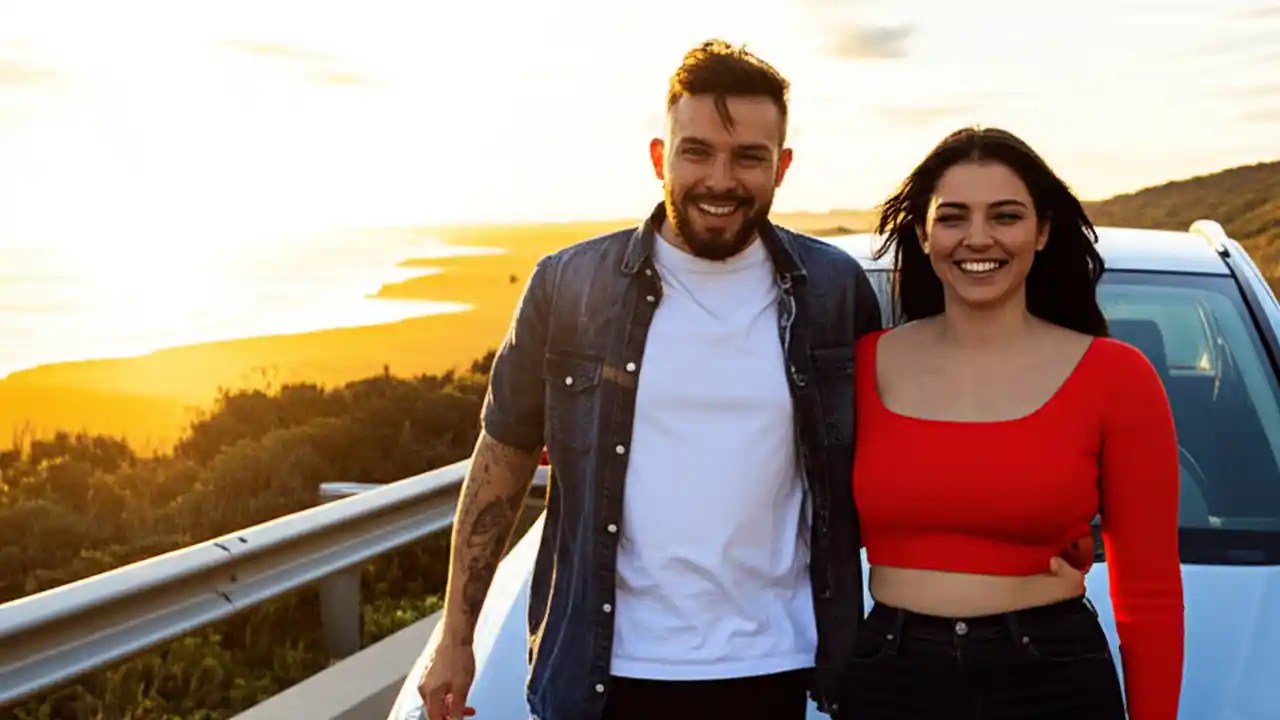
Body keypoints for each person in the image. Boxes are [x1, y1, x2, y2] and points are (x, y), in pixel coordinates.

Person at [415, 39, 883, 720]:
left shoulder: (833, 291)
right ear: (661, 157)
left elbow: (884, 458)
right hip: (606, 672)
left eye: (748, 157)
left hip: (776, 665)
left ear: (780, 168)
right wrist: (455, 639)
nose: (720, 179)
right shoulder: (568, 286)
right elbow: (503, 455)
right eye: (697, 152)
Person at [840, 126, 1185, 719]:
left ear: (1042, 231)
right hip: (891, 679)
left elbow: (1149, 590)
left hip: (1051, 678)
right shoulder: (859, 366)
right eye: (952, 217)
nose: (979, 238)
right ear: (923, 233)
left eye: (1005, 216)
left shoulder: (1116, 377)